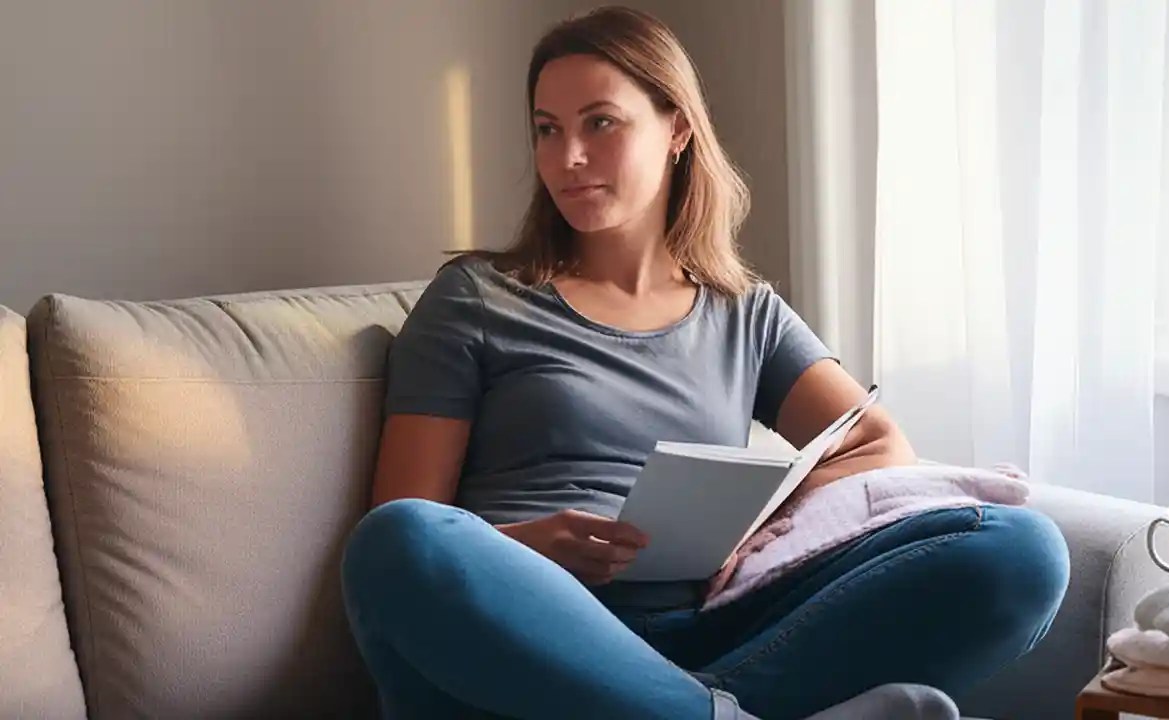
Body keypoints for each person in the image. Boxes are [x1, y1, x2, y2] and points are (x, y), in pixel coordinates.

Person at [341, 6, 1069, 719]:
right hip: (528, 640)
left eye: (600, 122)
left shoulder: (742, 311)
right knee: (394, 544)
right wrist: (531, 546)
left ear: (677, 130)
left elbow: (877, 442)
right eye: (546, 130)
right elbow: (410, 516)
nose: (568, 157)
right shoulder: (476, 299)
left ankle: (699, 706)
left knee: (1020, 550)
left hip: (715, 631)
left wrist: (759, 526)